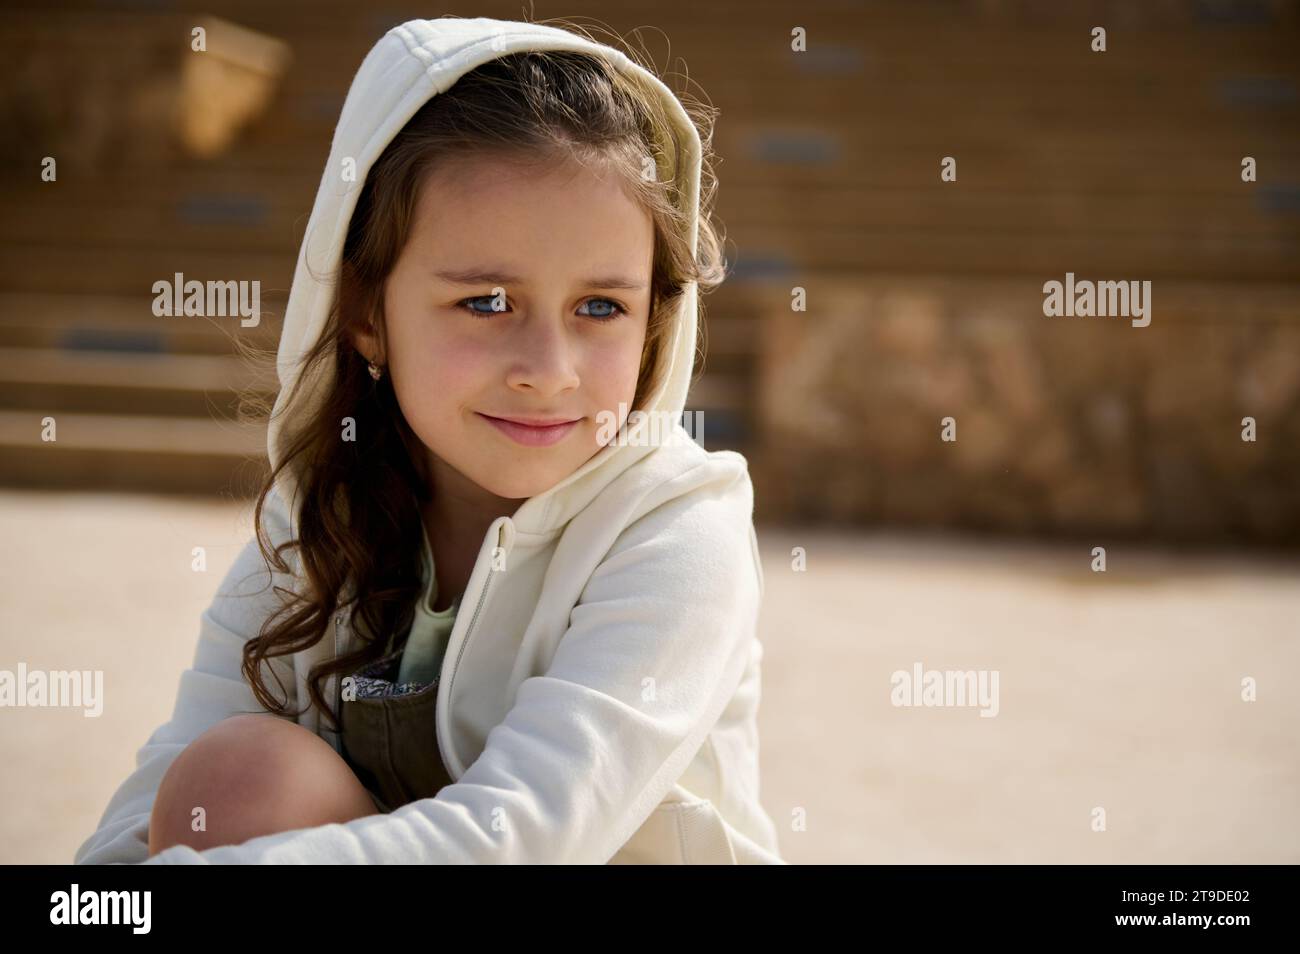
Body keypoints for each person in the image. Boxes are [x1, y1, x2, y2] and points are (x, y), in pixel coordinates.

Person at [74, 15, 783, 865]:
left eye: (602, 307)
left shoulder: (678, 527)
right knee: (232, 780)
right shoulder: (315, 524)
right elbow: (153, 800)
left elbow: (522, 832)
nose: (549, 371)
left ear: (654, 320)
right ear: (367, 315)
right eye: (486, 301)